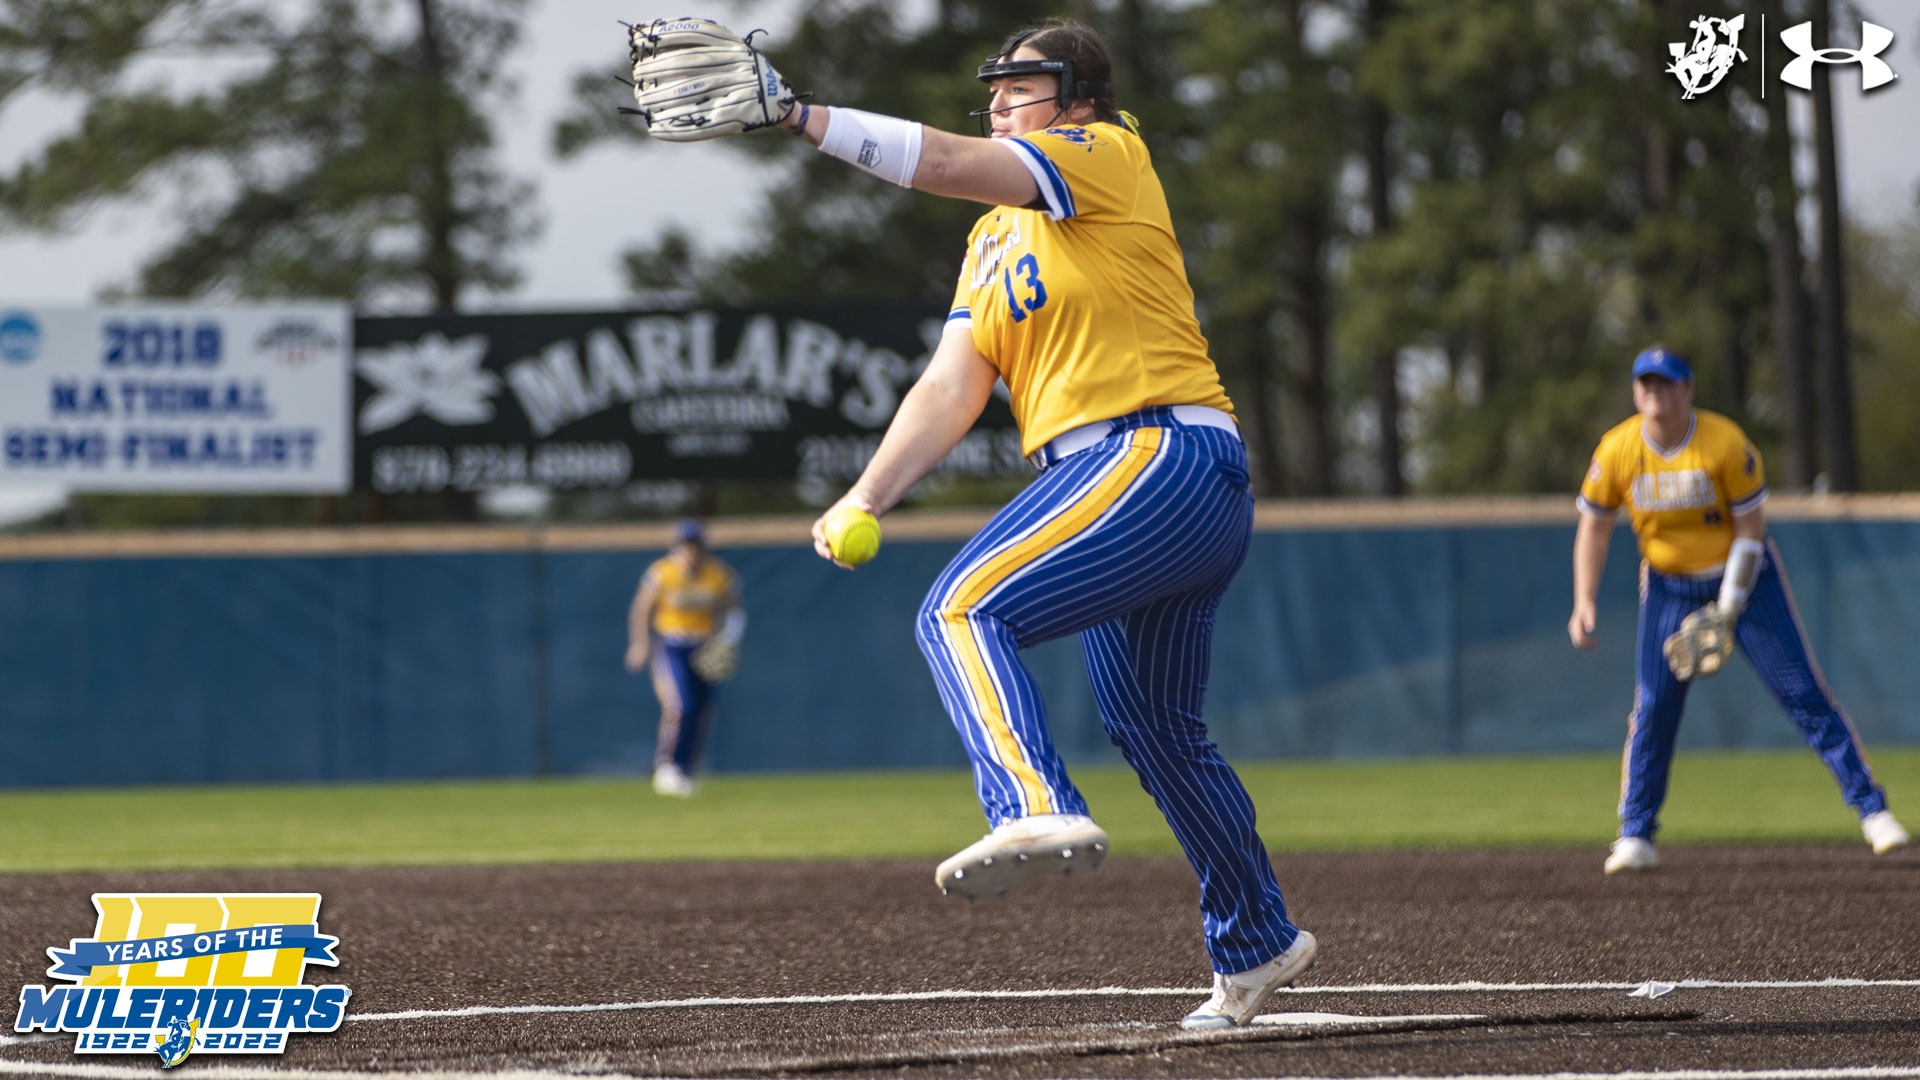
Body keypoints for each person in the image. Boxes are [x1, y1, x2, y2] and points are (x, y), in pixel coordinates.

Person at [654, 16, 1317, 1030]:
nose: (1004, 99)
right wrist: (866, 494)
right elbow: (951, 385)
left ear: (1079, 98)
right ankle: (1258, 941)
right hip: (1143, 484)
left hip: (1153, 455)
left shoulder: (1104, 152)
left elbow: (955, 161)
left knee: (961, 609)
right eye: (997, 87)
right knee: (1156, 729)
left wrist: (798, 116)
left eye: (1026, 84)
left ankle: (1028, 804)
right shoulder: (993, 239)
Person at [1568, 347, 1908, 873]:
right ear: (1636, 391)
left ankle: (1873, 811)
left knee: (1802, 692)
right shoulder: (1617, 449)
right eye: (1645, 383)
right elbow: (1594, 524)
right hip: (1668, 587)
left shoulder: (1724, 443)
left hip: (1746, 584)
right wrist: (1584, 600)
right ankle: (1636, 833)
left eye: (1666, 382)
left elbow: (1751, 534)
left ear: (1688, 389)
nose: (1654, 391)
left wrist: (1727, 608)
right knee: (1655, 706)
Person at [625, 519, 745, 798]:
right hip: (672, 644)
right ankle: (667, 766)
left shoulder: (718, 575)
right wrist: (639, 644)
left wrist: (727, 640)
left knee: (701, 711)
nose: (690, 551)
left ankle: (686, 769)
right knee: (681, 706)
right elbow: (642, 609)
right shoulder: (661, 573)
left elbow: (734, 611)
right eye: (685, 545)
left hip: (704, 647)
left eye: (695, 546)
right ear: (677, 547)